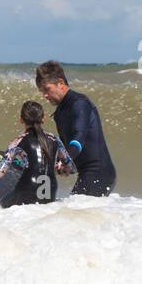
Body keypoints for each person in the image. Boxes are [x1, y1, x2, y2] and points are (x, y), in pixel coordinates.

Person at [34, 60, 116, 196]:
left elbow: (79, 137)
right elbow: (70, 147)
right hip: (86, 172)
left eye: (47, 89)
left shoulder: (79, 103)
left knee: (72, 212)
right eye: (42, 91)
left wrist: (66, 159)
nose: (45, 95)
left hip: (99, 173)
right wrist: (66, 165)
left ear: (60, 83)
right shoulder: (60, 112)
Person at [0, 101, 76, 207]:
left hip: (27, 188)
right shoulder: (54, 139)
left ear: (21, 119)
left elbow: (0, 172)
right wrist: (60, 169)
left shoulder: (18, 141)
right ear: (43, 118)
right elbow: (71, 167)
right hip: (50, 190)